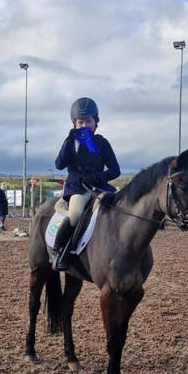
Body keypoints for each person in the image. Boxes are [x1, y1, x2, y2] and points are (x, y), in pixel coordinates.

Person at [51, 97, 120, 270]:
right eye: (80, 122)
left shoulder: (102, 143)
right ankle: (58, 252)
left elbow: (115, 170)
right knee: (75, 214)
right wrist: (68, 142)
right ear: (74, 123)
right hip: (77, 187)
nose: (84, 125)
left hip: (99, 185)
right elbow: (59, 165)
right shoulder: (71, 142)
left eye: (88, 121)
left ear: (95, 121)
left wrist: (97, 177)